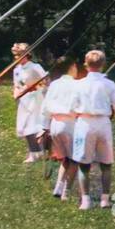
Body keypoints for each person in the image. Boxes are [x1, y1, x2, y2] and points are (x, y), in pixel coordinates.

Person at [71, 49, 115, 211]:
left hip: (84, 123)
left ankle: (86, 200)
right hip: (103, 123)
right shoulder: (109, 84)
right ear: (103, 64)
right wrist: (111, 108)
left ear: (86, 65)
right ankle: (105, 199)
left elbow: (72, 106)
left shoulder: (78, 84)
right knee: (106, 163)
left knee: (83, 164)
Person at [43, 58, 84, 200]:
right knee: (74, 159)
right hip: (70, 124)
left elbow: (45, 107)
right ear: (72, 66)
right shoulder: (78, 85)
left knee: (65, 159)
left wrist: (45, 128)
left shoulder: (54, 84)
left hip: (55, 125)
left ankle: (58, 187)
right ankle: (66, 191)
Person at [11, 42, 48, 164]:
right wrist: (16, 94)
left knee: (35, 126)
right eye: (15, 55)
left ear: (26, 55)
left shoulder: (35, 67)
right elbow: (17, 85)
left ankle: (42, 152)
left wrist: (36, 88)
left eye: (19, 55)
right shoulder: (16, 70)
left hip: (36, 100)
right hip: (24, 101)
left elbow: (46, 81)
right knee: (24, 126)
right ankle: (33, 153)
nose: (16, 58)